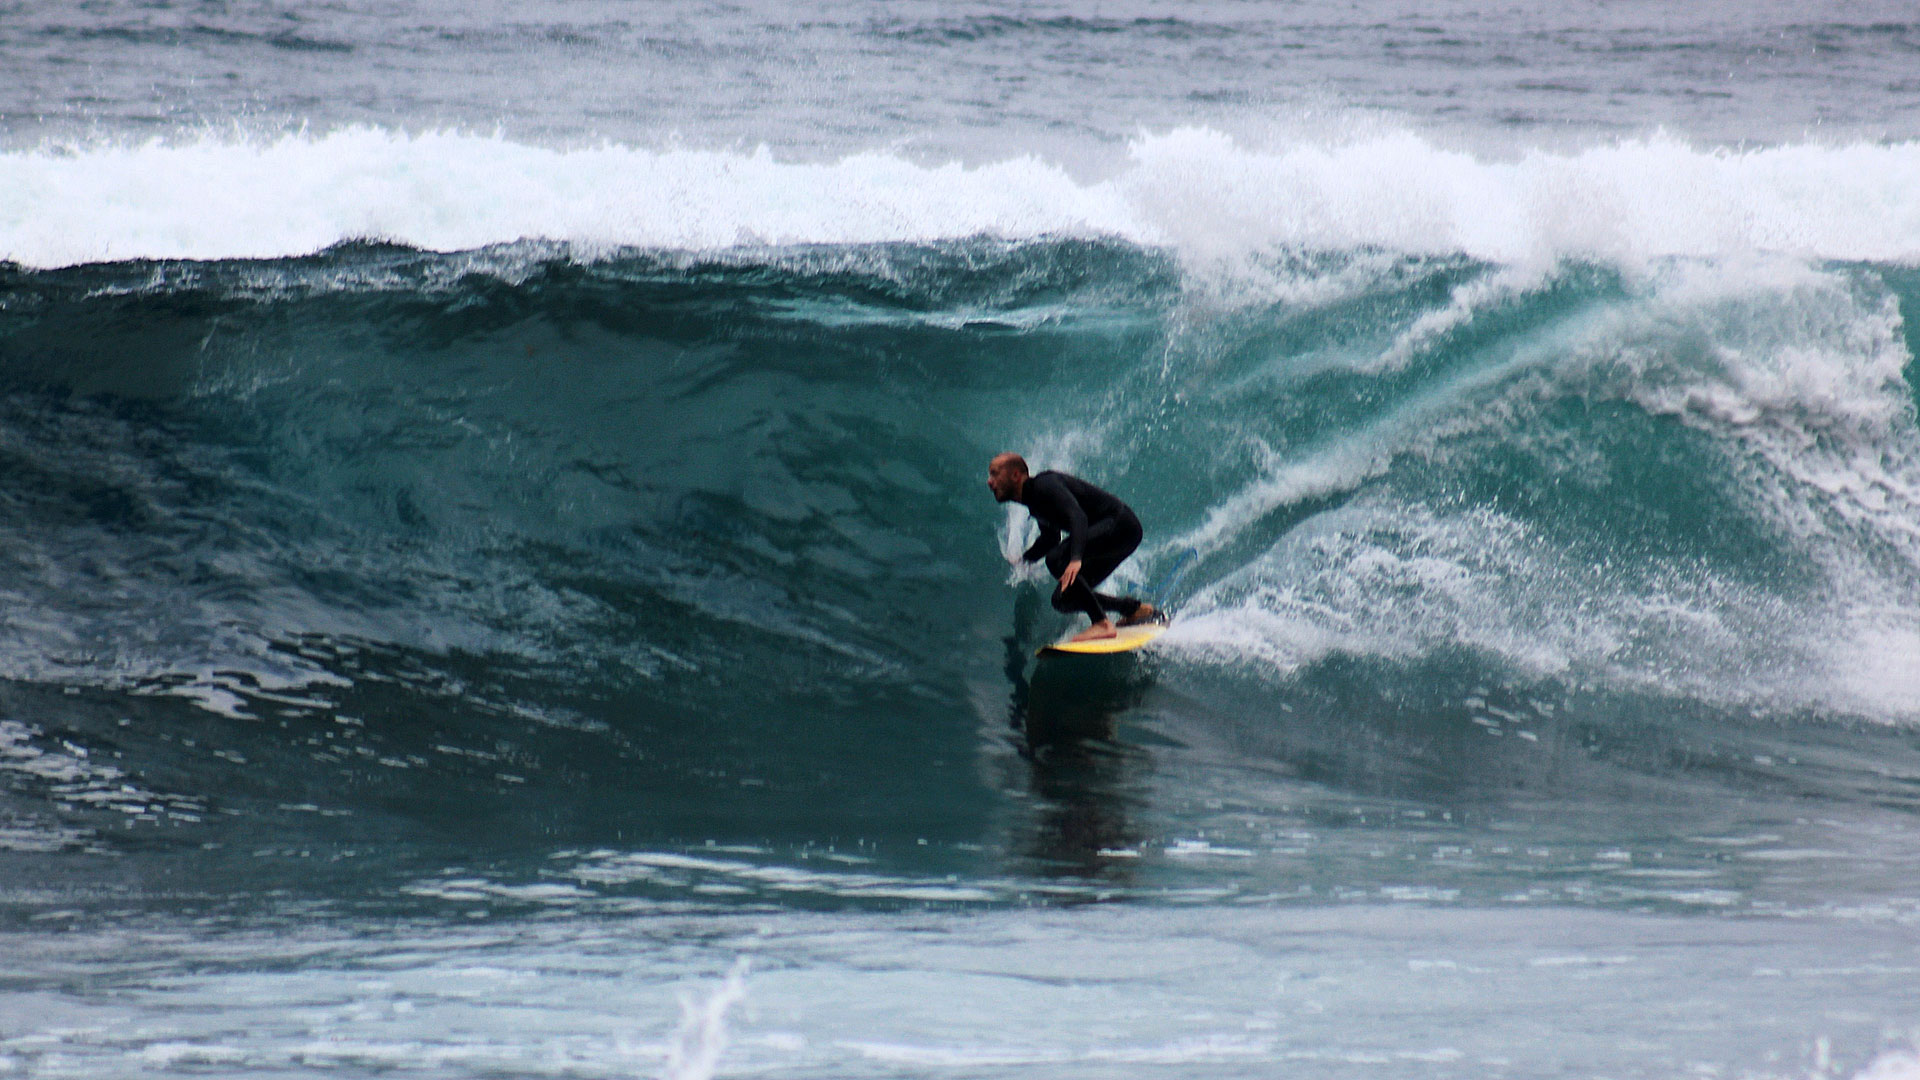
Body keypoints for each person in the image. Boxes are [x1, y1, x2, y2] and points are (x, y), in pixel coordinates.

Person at [987, 452, 1159, 642]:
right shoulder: (1035, 502)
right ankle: (1134, 610)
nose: (990, 481)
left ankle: (1101, 624)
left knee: (1055, 559)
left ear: (1015, 475)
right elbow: (1050, 539)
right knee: (1063, 600)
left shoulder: (1045, 485)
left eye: (995, 474)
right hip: (1119, 536)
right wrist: (1024, 561)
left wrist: (1076, 558)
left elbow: (1078, 517)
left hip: (1120, 525)